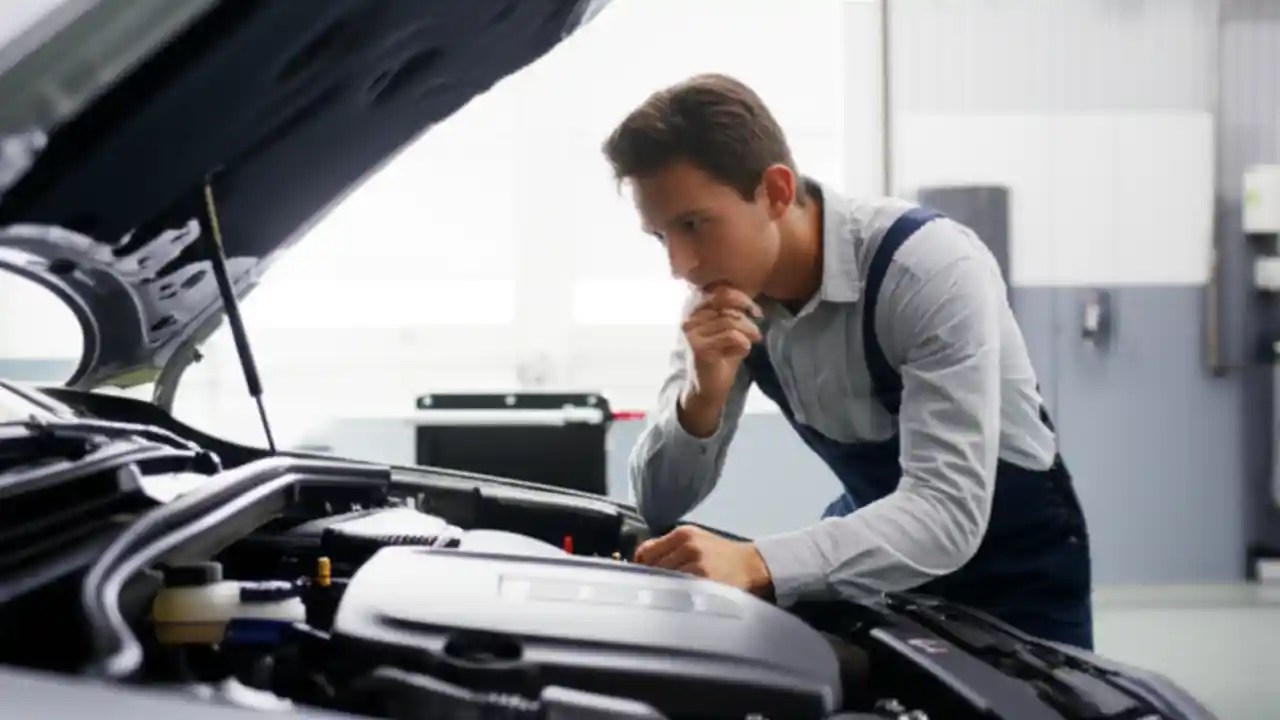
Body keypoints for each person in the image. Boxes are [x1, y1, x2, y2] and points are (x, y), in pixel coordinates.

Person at [601, 73, 1093, 649]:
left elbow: (946, 512)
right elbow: (659, 503)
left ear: (776, 191)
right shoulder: (720, 301)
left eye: (693, 225)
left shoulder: (927, 270)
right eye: (661, 237)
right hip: (875, 562)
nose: (680, 265)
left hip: (1017, 571)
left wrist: (756, 561)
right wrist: (700, 398)